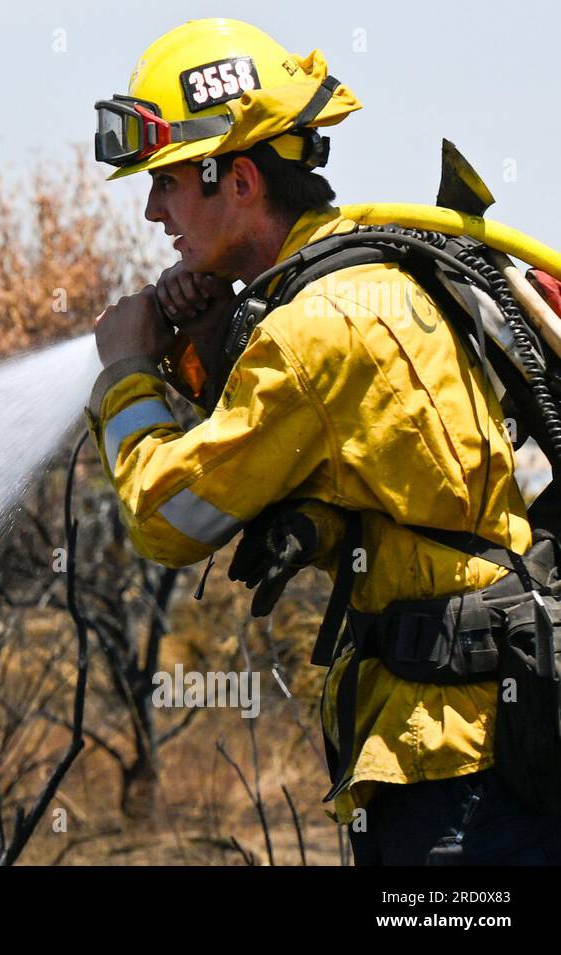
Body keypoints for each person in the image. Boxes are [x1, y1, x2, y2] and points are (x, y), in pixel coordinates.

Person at [87, 17, 561, 864]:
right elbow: (349, 451)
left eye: (164, 181)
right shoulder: (377, 276)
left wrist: (125, 373)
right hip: (504, 737)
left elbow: (169, 517)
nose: (154, 208)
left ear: (236, 180)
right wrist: (208, 335)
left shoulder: (315, 328)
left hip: (456, 769)